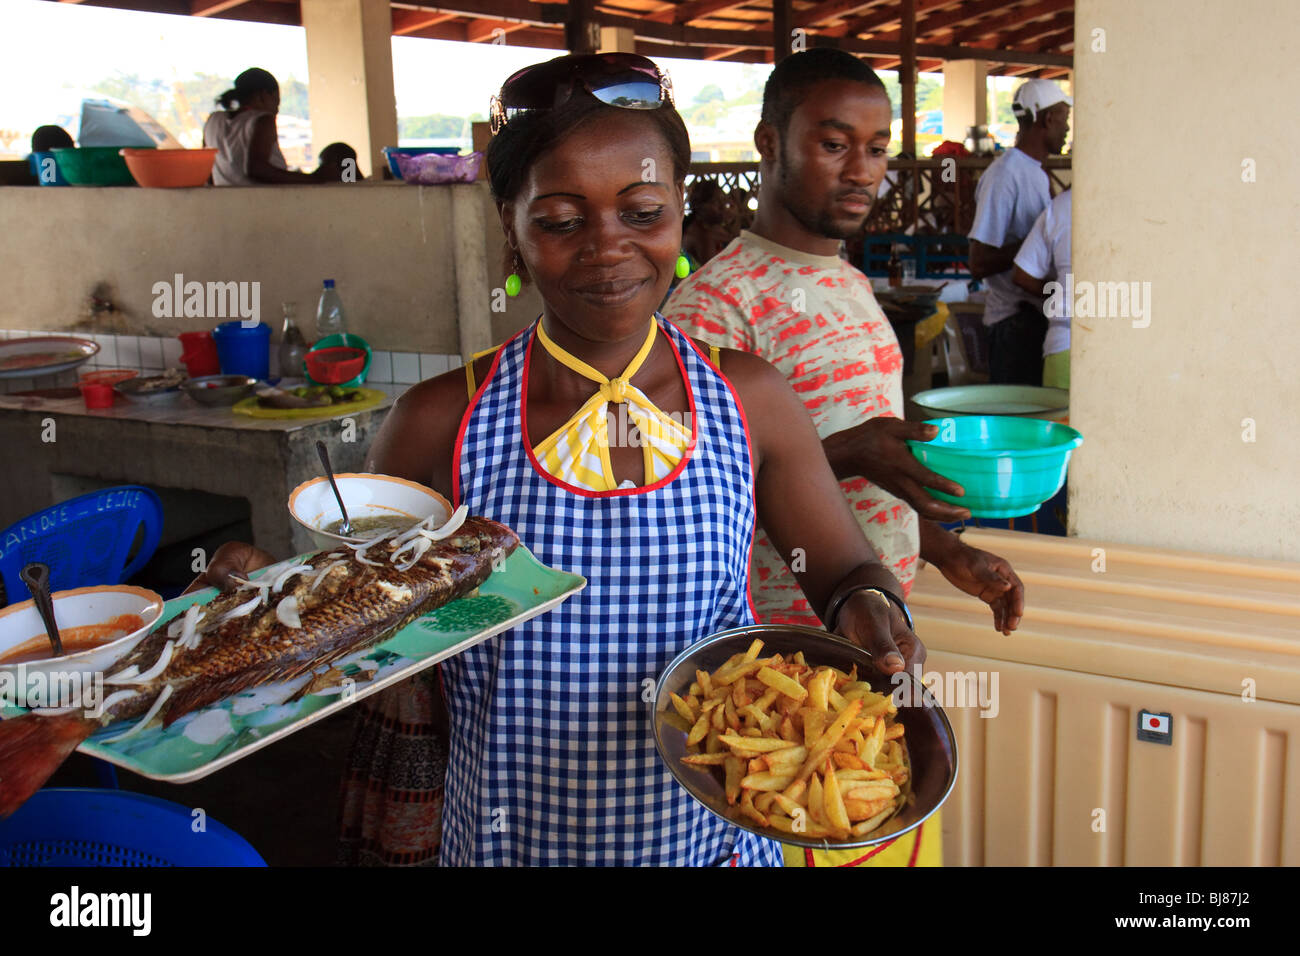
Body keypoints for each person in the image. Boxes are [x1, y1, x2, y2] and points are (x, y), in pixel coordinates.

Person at [197, 53, 923, 867]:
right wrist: (261, 618)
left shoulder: (748, 398)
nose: (607, 249)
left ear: (682, 215)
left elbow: (841, 566)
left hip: (712, 849)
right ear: (510, 227)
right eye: (562, 221)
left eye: (642, 212)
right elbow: (360, 641)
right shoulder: (441, 420)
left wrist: (872, 611)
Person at [662, 48, 1025, 867]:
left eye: (877, 146)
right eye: (834, 144)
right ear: (769, 142)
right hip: (780, 691)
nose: (862, 170)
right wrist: (846, 453)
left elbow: (868, 478)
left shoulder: (848, 282)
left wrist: (943, 548)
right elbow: (687, 498)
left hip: (877, 643)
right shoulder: (715, 306)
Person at [966, 78, 1071, 384]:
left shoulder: (1033, 172)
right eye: (1064, 118)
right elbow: (979, 261)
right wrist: (1041, 241)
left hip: (1034, 319)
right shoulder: (1005, 174)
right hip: (1013, 324)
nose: (1066, 128)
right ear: (1048, 119)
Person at [202, 68, 322, 185]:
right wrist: (315, 179)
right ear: (264, 95)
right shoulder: (262, 120)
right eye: (276, 100)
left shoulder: (213, 120)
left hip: (223, 201)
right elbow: (258, 170)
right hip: (262, 202)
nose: (276, 109)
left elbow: (207, 172)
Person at [1013, 188, 1072, 388]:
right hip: (1131, 343)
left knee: (1064, 420)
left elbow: (1023, 274)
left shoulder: (1061, 206)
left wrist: (1062, 295)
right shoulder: (1145, 202)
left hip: (1065, 343)